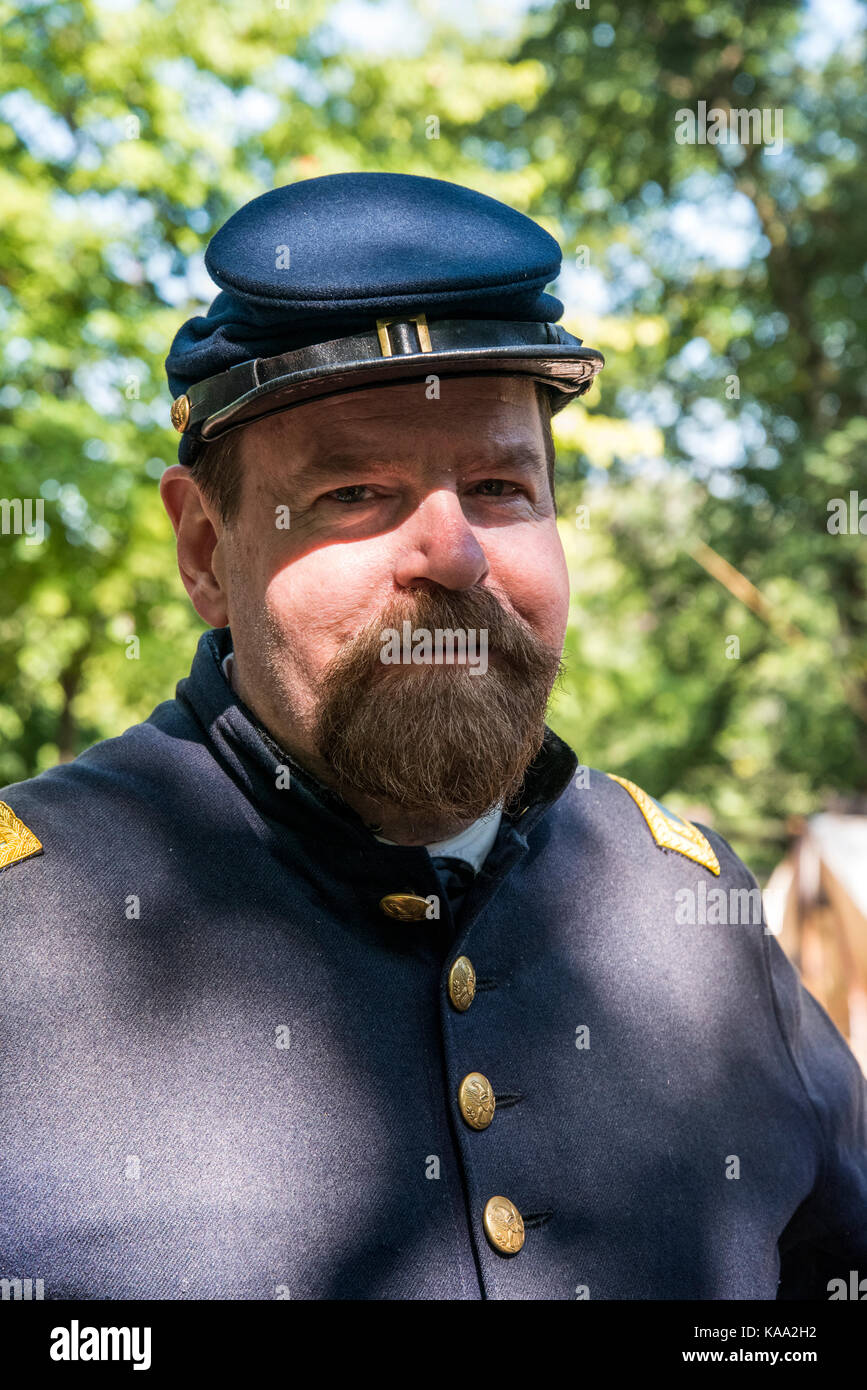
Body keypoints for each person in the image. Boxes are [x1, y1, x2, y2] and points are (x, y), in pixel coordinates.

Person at [1, 173, 864, 1300]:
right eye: (356, 491)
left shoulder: (690, 913)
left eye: (504, 485)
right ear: (208, 550)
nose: (454, 556)